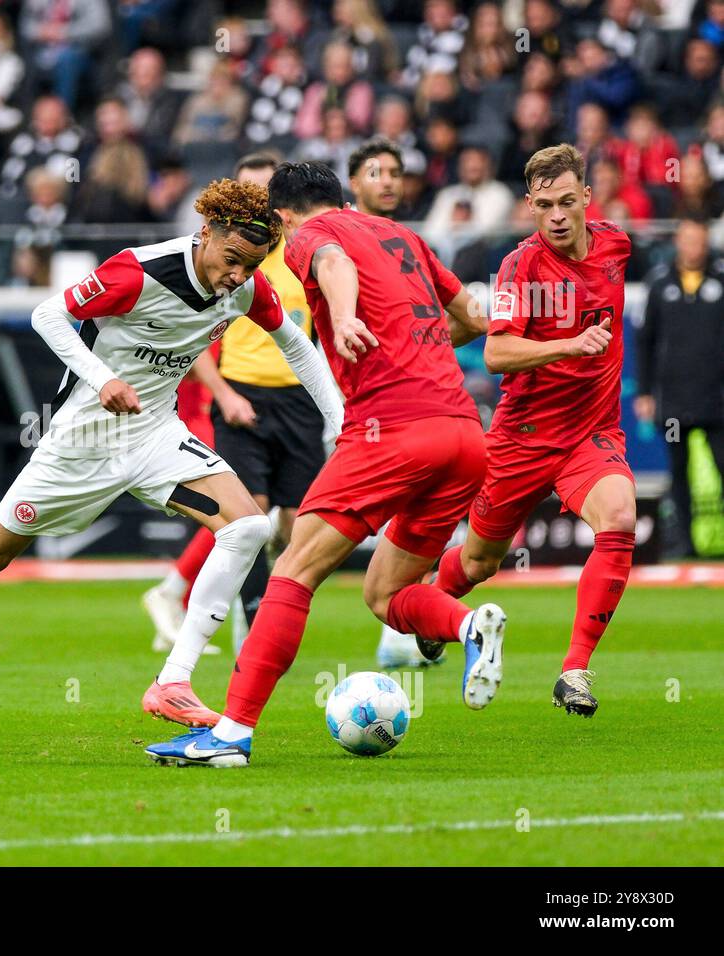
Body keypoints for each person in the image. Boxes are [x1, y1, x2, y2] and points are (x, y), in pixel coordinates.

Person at [0, 179, 344, 729]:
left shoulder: (246, 288)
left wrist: (338, 420)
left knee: (248, 528)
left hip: (153, 433)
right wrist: (102, 379)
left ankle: (173, 681)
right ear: (206, 232)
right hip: (82, 439)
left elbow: (296, 345)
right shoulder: (140, 271)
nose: (238, 277)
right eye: (233, 260)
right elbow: (47, 316)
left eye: (253, 266)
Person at [147, 161, 499, 768]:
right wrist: (418, 347)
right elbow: (472, 317)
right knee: (388, 593)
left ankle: (231, 735)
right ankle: (468, 628)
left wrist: (347, 316)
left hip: (389, 429)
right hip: (464, 433)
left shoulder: (309, 236)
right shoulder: (404, 235)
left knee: (292, 570)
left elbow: (333, 264)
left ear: (283, 217)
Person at [415, 144, 635, 718]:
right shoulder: (520, 266)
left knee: (620, 520)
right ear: (530, 208)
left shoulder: (616, 244)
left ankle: (575, 671)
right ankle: (432, 608)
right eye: (544, 206)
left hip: (591, 433)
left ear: (587, 198)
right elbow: (496, 352)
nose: (558, 215)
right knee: (482, 561)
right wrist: (569, 344)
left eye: (567, 201)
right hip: (522, 435)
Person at [149, 152, 327, 661]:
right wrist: (225, 395)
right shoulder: (230, 264)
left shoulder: (299, 255)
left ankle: (202, 597)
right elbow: (197, 341)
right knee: (249, 514)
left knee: (291, 526)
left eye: (265, 195)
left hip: (299, 402)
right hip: (243, 395)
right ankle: (249, 626)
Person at [348, 139, 448, 670]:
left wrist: (420, 352)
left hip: (404, 406)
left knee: (414, 514)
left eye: (396, 172)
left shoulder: (412, 244)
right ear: (352, 184)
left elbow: (463, 319)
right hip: (354, 401)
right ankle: (413, 619)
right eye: (375, 171)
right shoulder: (335, 242)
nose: (388, 181)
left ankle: (403, 628)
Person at [636, 218, 724, 558]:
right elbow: (645, 342)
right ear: (678, 242)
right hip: (672, 401)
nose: (694, 248)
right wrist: (645, 392)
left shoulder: (720, 279)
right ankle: (685, 545)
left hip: (716, 399)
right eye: (688, 240)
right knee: (678, 473)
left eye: (699, 241)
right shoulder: (659, 283)